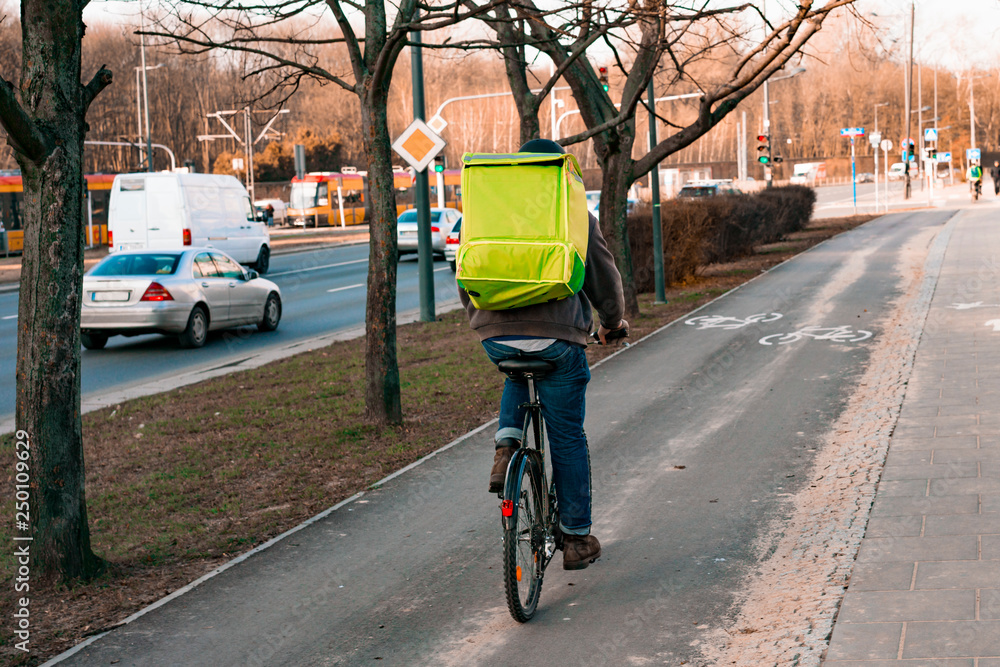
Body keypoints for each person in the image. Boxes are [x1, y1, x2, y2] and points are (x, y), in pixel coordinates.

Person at [459, 138, 627, 571]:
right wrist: (611, 323)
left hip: (495, 337)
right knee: (567, 438)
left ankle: (505, 448)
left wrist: (483, 319)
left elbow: (465, 271)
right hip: (557, 340)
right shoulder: (572, 215)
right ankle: (575, 539)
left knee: (515, 373)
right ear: (557, 174)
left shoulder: (488, 211)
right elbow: (603, 280)